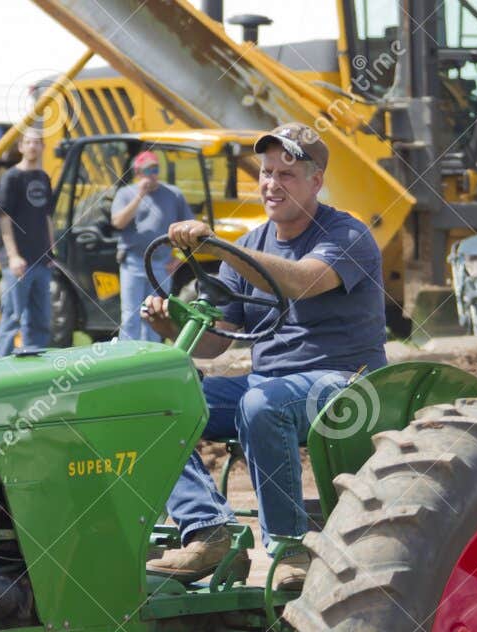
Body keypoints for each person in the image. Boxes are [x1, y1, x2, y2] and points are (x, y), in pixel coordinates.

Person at [140, 123, 386, 591]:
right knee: (160, 401)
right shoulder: (251, 244)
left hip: (344, 383)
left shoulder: (347, 234)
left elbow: (301, 281)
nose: (271, 183)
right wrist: (169, 324)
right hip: (271, 382)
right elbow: (218, 342)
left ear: (316, 182)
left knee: (262, 405)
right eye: (266, 172)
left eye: (286, 175)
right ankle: (209, 531)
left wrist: (218, 249)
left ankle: (290, 546)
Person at [111, 150, 192, 341]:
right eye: (147, 170)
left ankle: (151, 360)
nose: (152, 174)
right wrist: (139, 195)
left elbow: (189, 229)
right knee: (131, 315)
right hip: (132, 263)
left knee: (156, 315)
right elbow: (118, 222)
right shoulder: (124, 193)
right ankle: (127, 360)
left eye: (155, 169)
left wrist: (180, 259)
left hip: (161, 265)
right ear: (138, 173)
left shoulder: (173, 194)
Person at [0, 127, 54, 355]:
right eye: (28, 142)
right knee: (12, 316)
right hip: (18, 262)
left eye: (37, 142)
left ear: (43, 147)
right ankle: (2, 365)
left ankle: (33, 363)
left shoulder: (44, 178)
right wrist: (12, 256)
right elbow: (3, 218)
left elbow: (48, 216)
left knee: (41, 318)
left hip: (41, 260)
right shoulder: (11, 177)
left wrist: (51, 250)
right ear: (20, 147)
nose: (33, 146)